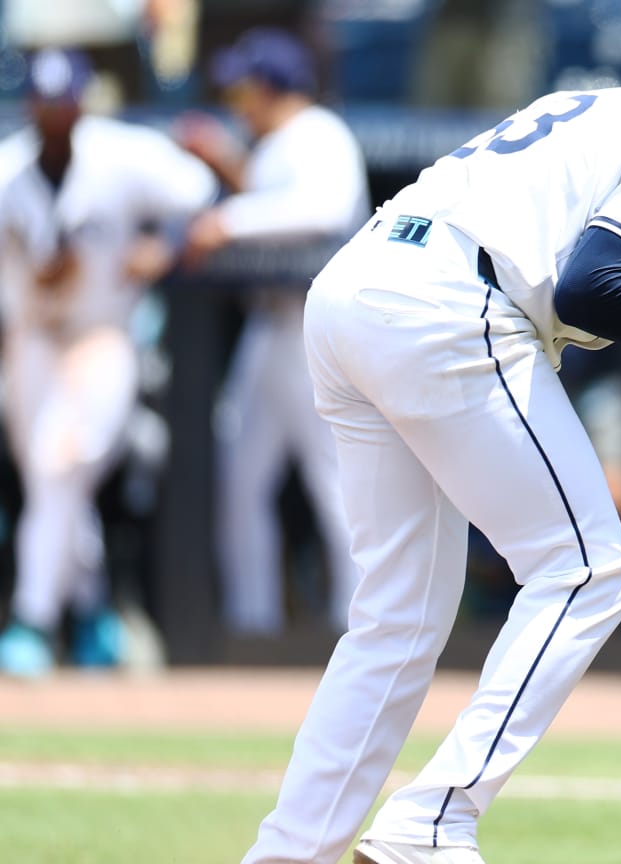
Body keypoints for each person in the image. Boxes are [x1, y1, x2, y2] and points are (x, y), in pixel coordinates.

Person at [244, 35, 621, 864]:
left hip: (358, 288)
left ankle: (290, 853)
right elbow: (595, 287)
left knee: (395, 619)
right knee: (589, 571)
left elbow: (602, 284)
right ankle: (431, 824)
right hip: (449, 305)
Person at [0, 48, 217, 678]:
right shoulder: (9, 170)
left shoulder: (122, 153)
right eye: (45, 105)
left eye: (65, 104)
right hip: (33, 338)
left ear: (82, 102)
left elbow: (199, 195)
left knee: (61, 461)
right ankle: (92, 608)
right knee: (52, 480)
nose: (55, 116)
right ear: (30, 107)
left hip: (102, 332)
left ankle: (33, 618)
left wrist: (165, 245)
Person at [177, 28, 369, 636]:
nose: (235, 98)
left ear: (266, 87)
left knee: (334, 482)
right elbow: (274, 199)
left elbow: (323, 210)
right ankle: (250, 620)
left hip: (317, 326)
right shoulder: (276, 143)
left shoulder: (320, 133)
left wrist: (228, 218)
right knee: (238, 477)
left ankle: (360, 625)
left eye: (243, 86)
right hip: (272, 326)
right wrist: (230, 171)